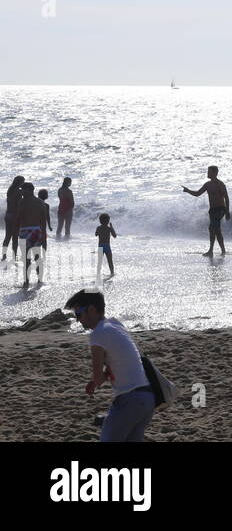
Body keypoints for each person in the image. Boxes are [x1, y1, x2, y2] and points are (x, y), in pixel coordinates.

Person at [66, 289, 154, 442]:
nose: (78, 320)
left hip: (129, 400)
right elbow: (122, 361)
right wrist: (99, 379)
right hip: (147, 399)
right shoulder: (115, 324)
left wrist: (96, 379)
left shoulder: (98, 334)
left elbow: (98, 378)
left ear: (92, 310)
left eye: (78, 314)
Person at [181, 165, 229, 257]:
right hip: (212, 210)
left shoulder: (220, 184)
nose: (207, 173)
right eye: (208, 171)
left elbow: (226, 197)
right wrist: (187, 191)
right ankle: (223, 251)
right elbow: (197, 193)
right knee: (217, 230)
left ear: (215, 173)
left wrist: (227, 211)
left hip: (220, 209)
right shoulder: (207, 184)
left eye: (209, 171)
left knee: (212, 228)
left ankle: (211, 251)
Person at [18, 183, 49, 288]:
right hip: (36, 232)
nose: (21, 191)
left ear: (30, 190)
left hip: (25, 231)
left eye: (23, 189)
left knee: (26, 258)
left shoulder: (22, 202)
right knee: (37, 257)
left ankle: (26, 281)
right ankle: (39, 280)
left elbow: (18, 219)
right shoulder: (40, 203)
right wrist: (44, 239)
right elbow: (43, 224)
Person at [3, 175, 22, 260]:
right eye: (22, 181)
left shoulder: (10, 190)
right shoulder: (18, 191)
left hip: (8, 215)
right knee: (15, 237)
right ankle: (14, 256)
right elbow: (18, 205)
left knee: (7, 236)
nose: (23, 183)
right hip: (15, 216)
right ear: (19, 182)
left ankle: (4, 255)